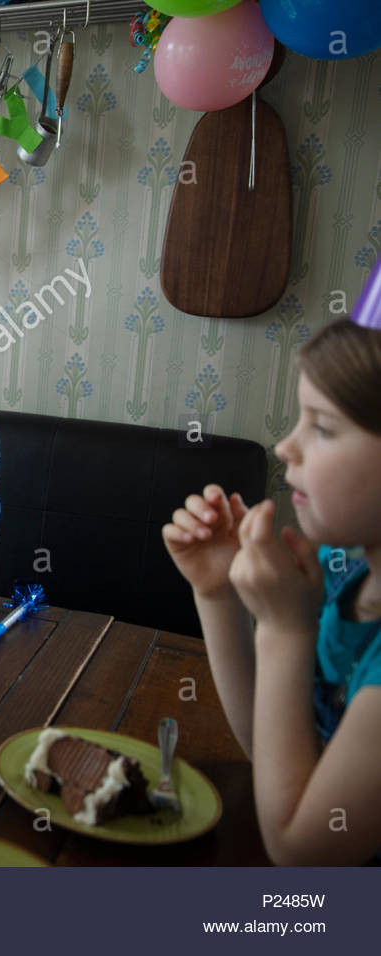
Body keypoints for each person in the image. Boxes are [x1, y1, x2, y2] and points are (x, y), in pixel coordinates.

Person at [162, 293, 381, 865]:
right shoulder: (349, 578)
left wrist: (286, 631)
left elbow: (303, 849)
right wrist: (217, 592)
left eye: (324, 428)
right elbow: (278, 755)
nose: (286, 447)